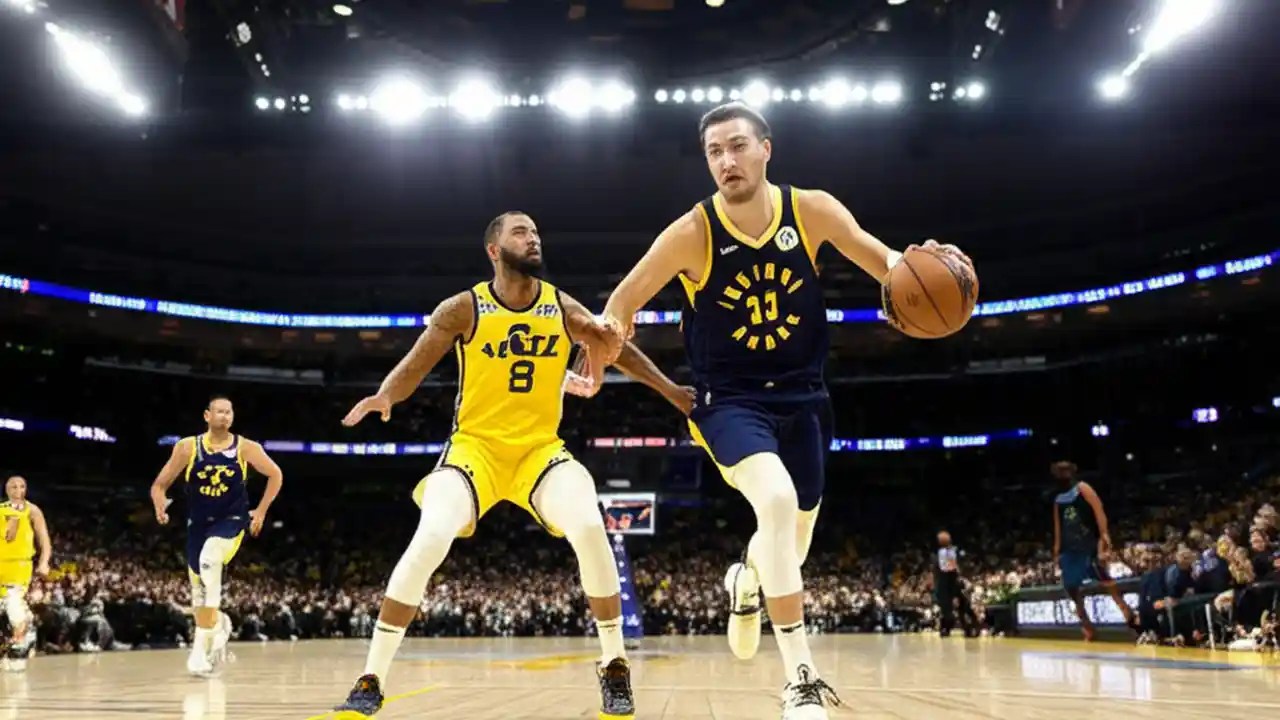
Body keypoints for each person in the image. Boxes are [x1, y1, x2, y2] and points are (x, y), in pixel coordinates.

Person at [599, 101, 972, 719]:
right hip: (728, 402)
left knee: (789, 547)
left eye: (738, 146)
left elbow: (885, 265)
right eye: (715, 152)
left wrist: (919, 268)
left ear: (767, 149)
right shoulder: (692, 232)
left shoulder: (813, 209)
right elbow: (624, 300)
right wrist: (607, 336)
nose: (727, 161)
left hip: (805, 398)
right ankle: (801, 675)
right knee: (771, 501)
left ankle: (747, 582)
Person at [332, 211, 692, 719]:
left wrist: (672, 391)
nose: (534, 237)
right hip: (474, 450)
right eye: (520, 232)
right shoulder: (463, 308)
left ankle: (614, 665)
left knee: (591, 524)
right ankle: (371, 677)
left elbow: (618, 350)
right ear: (494, 251)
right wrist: (385, 396)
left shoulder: (562, 306)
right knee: (431, 533)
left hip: (539, 450)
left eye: (537, 231)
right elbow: (417, 361)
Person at [149, 396, 284, 676]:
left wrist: (259, 512)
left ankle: (199, 651)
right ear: (207, 415)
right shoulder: (187, 447)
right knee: (198, 596)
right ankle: (218, 626)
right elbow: (159, 485)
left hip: (231, 522)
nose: (225, 416)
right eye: (219, 411)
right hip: (197, 524)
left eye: (229, 412)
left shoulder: (246, 448)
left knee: (211, 559)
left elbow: (275, 474)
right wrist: (159, 503)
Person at [1051, 460, 1136, 641]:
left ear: (1072, 472)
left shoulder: (1083, 488)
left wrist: (1105, 536)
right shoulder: (1058, 500)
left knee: (1103, 577)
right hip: (1069, 548)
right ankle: (1086, 625)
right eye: (1059, 472)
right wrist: (1057, 550)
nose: (1062, 474)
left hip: (1088, 542)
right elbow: (1058, 527)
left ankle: (1127, 613)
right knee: (1071, 588)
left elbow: (1099, 511)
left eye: (1065, 471)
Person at [0, 475, 52, 671]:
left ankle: (22, 643)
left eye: (21, 486)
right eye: (12, 486)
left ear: (25, 489)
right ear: (6, 489)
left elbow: (44, 541)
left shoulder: (33, 510)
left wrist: (44, 562)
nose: (16, 489)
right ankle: (12, 642)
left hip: (19, 565)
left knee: (13, 604)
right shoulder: (1, 510)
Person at [933, 530, 978, 637]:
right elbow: (949, 569)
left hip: (950, 583)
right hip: (947, 583)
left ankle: (969, 627)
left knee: (961, 607)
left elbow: (951, 569)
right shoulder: (946, 552)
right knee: (953, 609)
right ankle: (950, 628)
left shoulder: (947, 552)